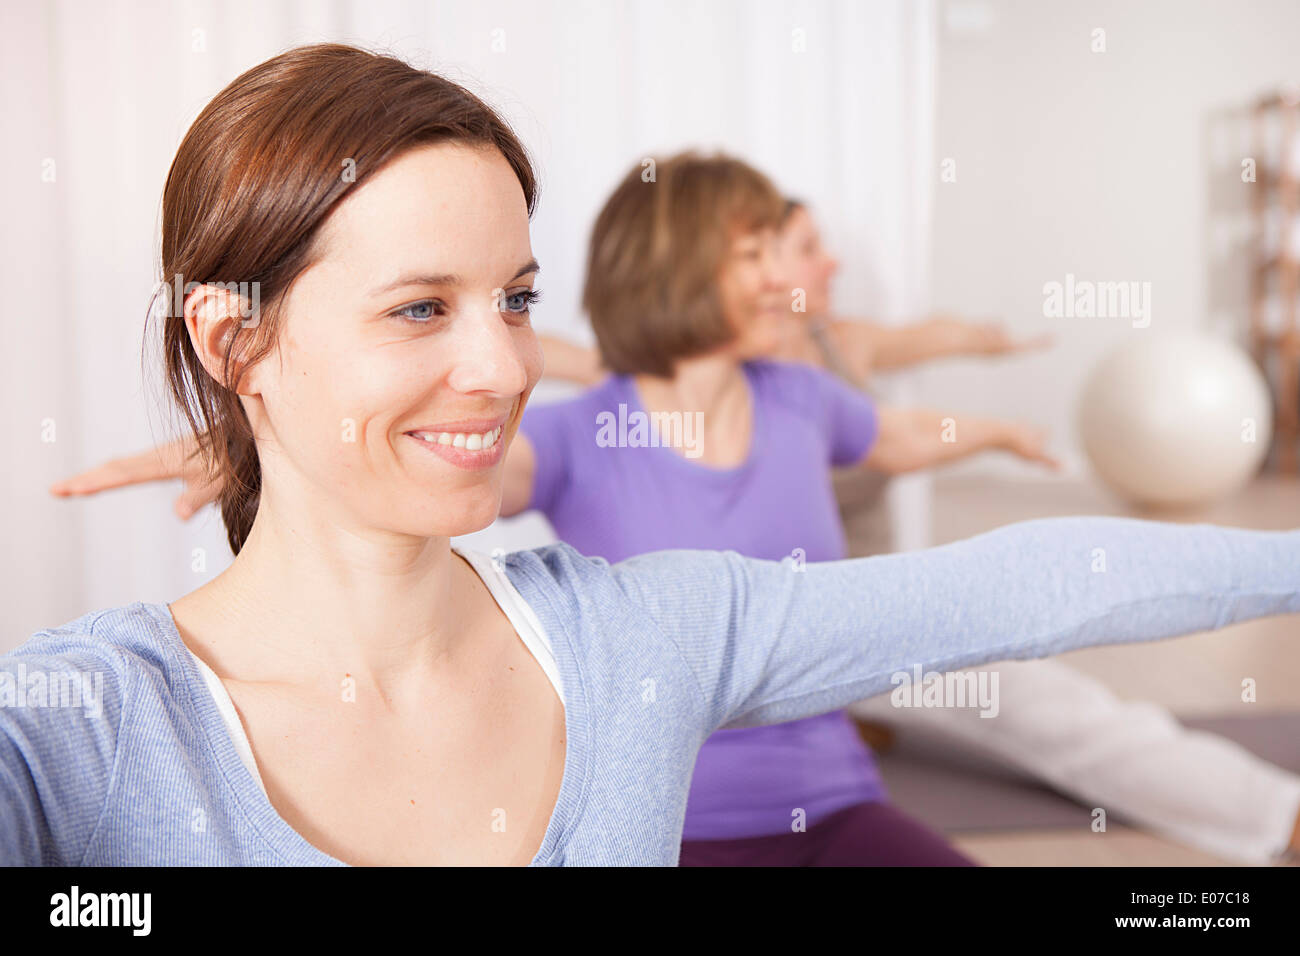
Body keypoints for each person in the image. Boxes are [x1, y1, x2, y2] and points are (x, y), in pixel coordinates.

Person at [19, 43, 1300, 867]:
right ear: (233, 339)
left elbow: (1021, 583)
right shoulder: (82, 734)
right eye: (421, 307)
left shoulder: (652, 632)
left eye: (515, 299)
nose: (509, 364)